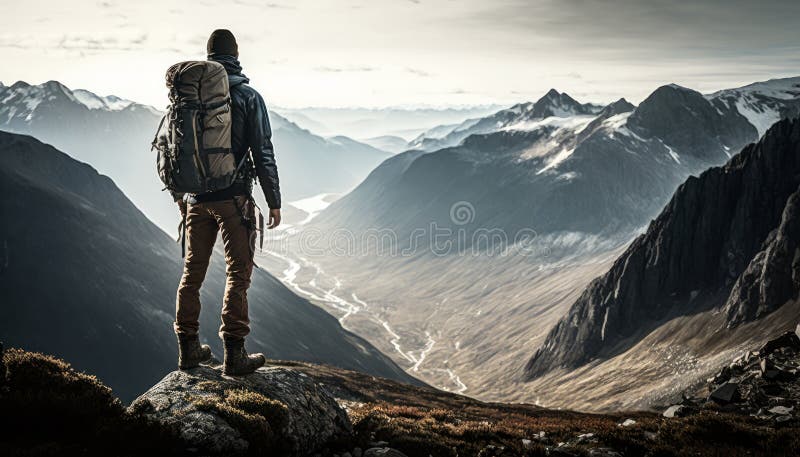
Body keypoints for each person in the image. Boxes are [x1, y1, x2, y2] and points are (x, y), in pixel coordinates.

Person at [173, 29, 281, 375]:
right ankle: (234, 354)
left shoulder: (189, 98)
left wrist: (182, 195)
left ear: (208, 56)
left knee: (192, 273)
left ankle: (188, 349)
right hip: (233, 197)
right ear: (236, 55)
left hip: (195, 199)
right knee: (238, 271)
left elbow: (176, 149)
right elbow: (263, 151)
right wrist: (274, 200)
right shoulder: (249, 97)